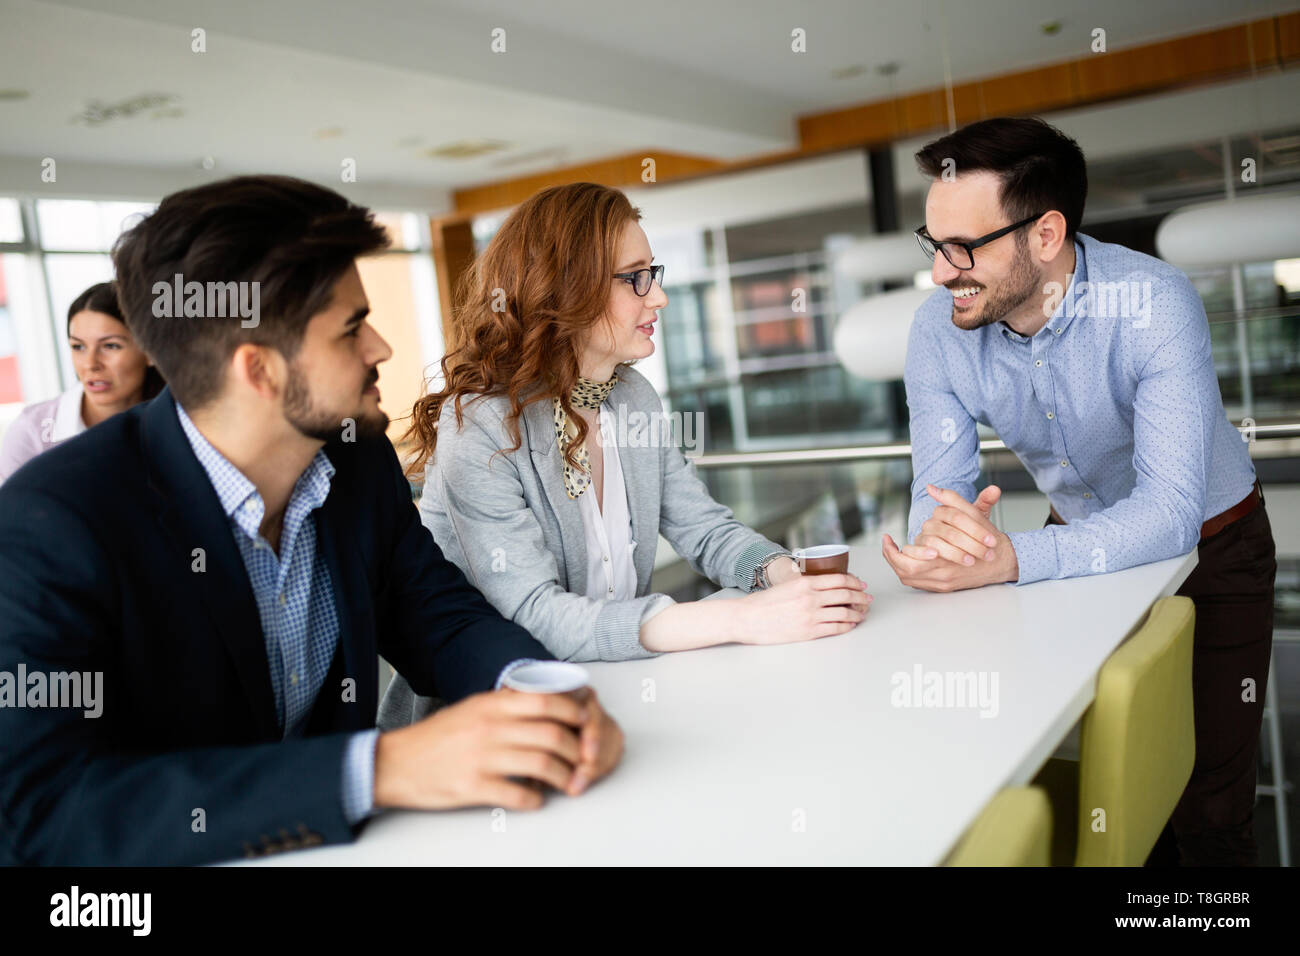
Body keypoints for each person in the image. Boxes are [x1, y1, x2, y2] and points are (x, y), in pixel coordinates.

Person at [0, 175, 623, 866]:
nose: (381, 348)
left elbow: (435, 614)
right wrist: (379, 768)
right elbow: (41, 810)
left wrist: (533, 694)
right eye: (352, 328)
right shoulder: (52, 521)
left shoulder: (357, 461)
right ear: (258, 370)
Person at [885, 117, 1275, 866]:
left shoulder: (1154, 301)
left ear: (1046, 233)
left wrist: (1007, 559)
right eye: (933, 245)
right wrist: (945, 540)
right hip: (1078, 551)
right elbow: (939, 488)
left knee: (1212, 814)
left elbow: (1168, 517)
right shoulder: (937, 331)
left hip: (1216, 548)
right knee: (1125, 796)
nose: (940, 273)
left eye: (964, 248)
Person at [380, 182, 871, 727]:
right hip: (488, 724)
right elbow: (534, 617)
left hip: (615, 692)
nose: (657, 296)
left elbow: (705, 530)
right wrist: (740, 619)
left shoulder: (632, 396)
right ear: (566, 290)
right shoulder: (480, 423)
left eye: (652, 274)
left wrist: (785, 578)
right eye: (635, 278)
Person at [0, 281, 163, 483]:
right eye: (78, 347)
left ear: (151, 352)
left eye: (110, 346)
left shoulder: (183, 422)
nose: (90, 364)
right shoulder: (32, 433)